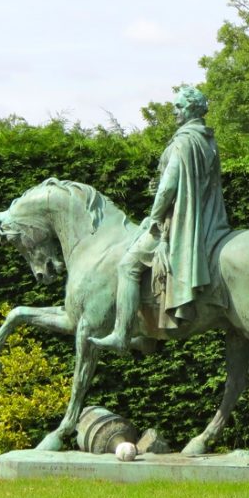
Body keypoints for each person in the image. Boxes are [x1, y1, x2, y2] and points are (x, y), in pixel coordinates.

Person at [90, 86, 231, 350]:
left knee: (128, 267)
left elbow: (169, 187)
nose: (175, 112)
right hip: (205, 220)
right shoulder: (206, 140)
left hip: (178, 225)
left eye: (179, 107)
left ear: (192, 108)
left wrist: (153, 218)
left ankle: (122, 334)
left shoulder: (183, 142)